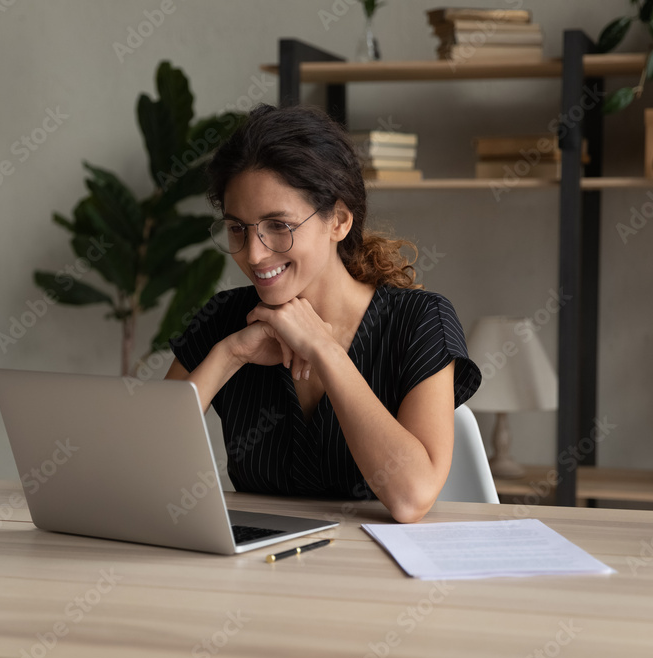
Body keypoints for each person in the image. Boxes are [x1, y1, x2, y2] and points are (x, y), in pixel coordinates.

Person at [164, 103, 481, 523]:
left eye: (279, 225)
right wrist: (230, 356)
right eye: (238, 228)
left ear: (339, 221)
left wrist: (323, 350)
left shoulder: (419, 322)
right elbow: (138, 468)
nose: (255, 254)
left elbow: (411, 497)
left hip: (378, 576)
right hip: (260, 570)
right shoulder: (228, 320)